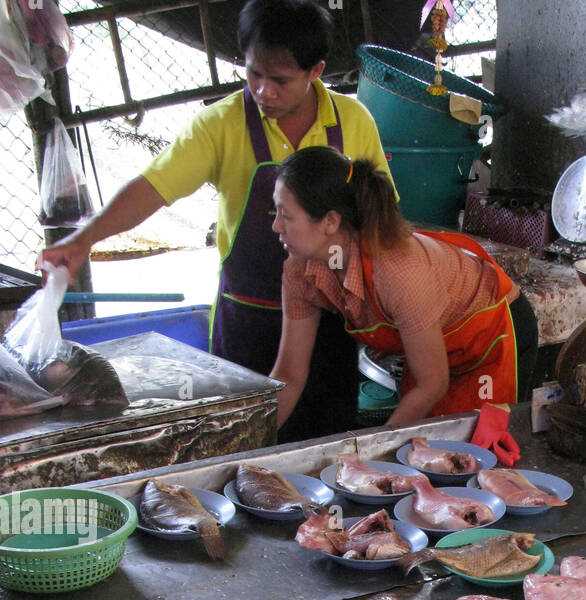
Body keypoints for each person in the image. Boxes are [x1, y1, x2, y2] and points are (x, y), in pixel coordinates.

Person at [40, 0, 391, 442]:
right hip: (247, 327)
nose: (264, 91)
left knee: (329, 445)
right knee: (240, 448)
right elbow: (153, 187)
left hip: (333, 323)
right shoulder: (220, 124)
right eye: (254, 74)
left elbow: (382, 214)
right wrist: (82, 240)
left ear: (316, 71)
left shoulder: (353, 122)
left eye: (280, 80)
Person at [271, 147, 539, 430]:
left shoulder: (397, 272)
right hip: (433, 356)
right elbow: (289, 375)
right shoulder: (300, 271)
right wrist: (247, 450)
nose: (276, 226)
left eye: (285, 215)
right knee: (422, 450)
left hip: (494, 335)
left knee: (476, 454)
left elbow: (432, 384)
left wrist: (375, 453)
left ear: (330, 221)